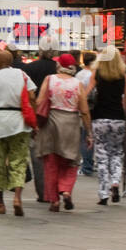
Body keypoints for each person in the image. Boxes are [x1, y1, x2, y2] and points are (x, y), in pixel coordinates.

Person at [0, 49, 36, 216]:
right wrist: (34, 120)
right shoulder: (21, 74)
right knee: (19, 162)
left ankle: (0, 203)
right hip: (20, 122)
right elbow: (31, 95)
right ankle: (17, 198)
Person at [35, 54, 92, 211]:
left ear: (59, 65)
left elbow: (40, 101)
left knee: (51, 162)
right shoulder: (77, 84)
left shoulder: (50, 79)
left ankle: (54, 200)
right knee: (71, 160)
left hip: (52, 122)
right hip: (71, 123)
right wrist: (89, 132)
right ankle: (66, 190)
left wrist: (36, 123)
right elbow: (85, 111)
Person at [87, 46, 126, 206]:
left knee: (101, 156)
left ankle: (103, 193)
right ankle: (115, 182)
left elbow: (87, 94)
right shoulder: (123, 76)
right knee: (116, 153)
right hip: (118, 119)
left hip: (100, 119)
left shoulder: (97, 74)